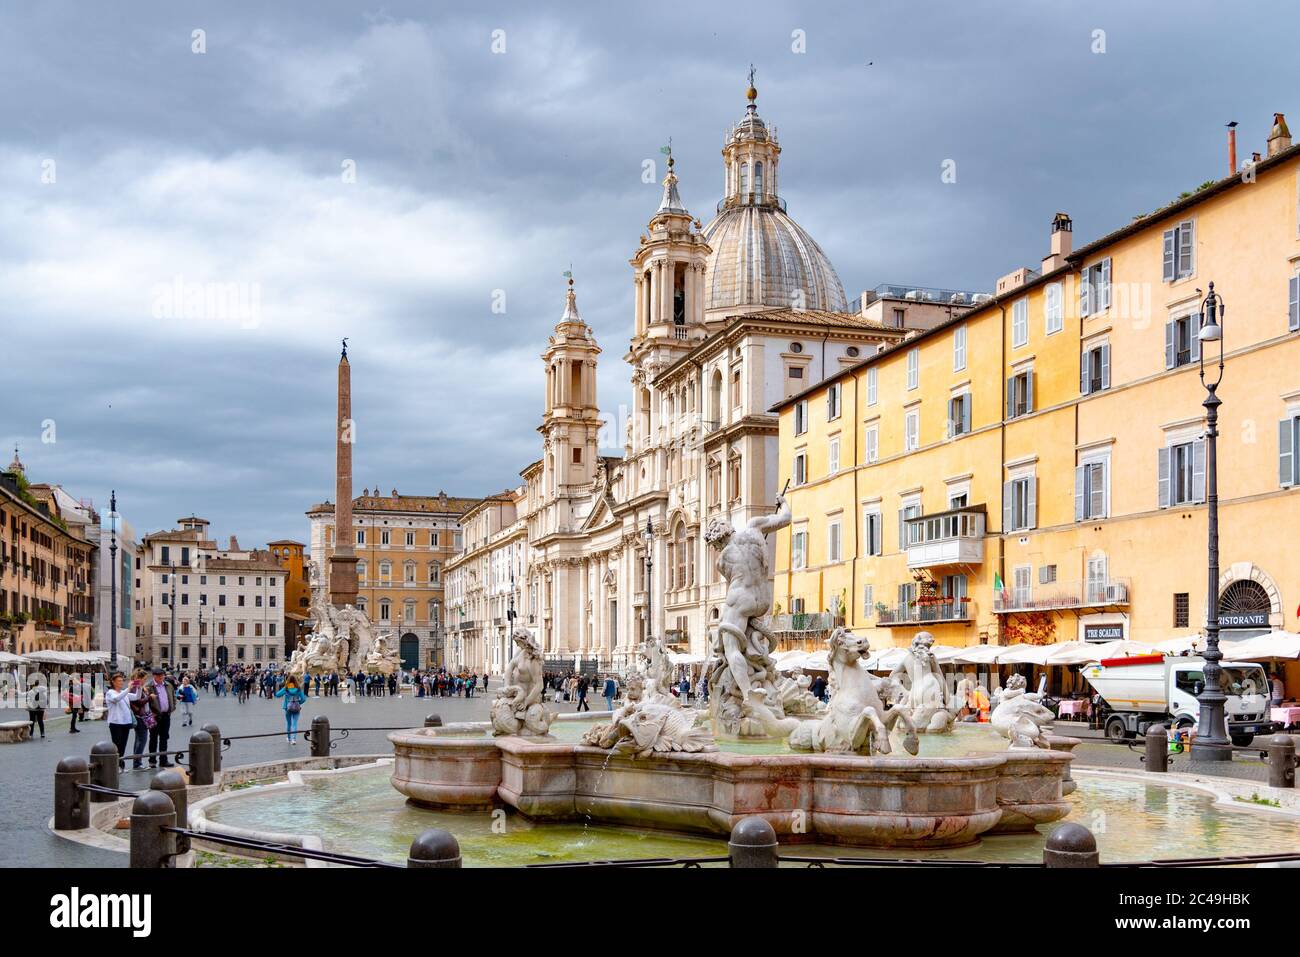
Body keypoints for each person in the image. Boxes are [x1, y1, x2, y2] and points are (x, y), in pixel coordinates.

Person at [104, 672, 141, 771]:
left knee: (123, 745)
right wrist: (128, 688)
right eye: (119, 681)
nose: (121, 683)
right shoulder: (110, 693)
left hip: (126, 722)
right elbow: (116, 699)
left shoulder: (124, 693)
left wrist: (139, 687)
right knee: (117, 745)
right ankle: (116, 765)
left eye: (122, 681)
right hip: (115, 723)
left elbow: (137, 697)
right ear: (113, 682)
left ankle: (120, 765)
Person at [144, 667, 177, 767]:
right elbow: (145, 702)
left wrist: (172, 707)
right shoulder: (149, 687)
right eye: (159, 675)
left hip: (166, 715)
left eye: (162, 675)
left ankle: (163, 760)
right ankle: (152, 761)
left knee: (164, 738)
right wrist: (150, 713)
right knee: (153, 738)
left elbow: (173, 696)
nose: (161, 677)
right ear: (154, 676)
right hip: (155, 716)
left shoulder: (168, 685)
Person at [275, 675, 307, 744]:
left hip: (287, 708)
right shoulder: (298, 688)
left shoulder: (286, 688)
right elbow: (303, 699)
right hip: (296, 708)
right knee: (294, 724)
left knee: (289, 724)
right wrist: (298, 703)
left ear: (288, 681)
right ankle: (294, 739)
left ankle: (289, 738)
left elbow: (277, 695)